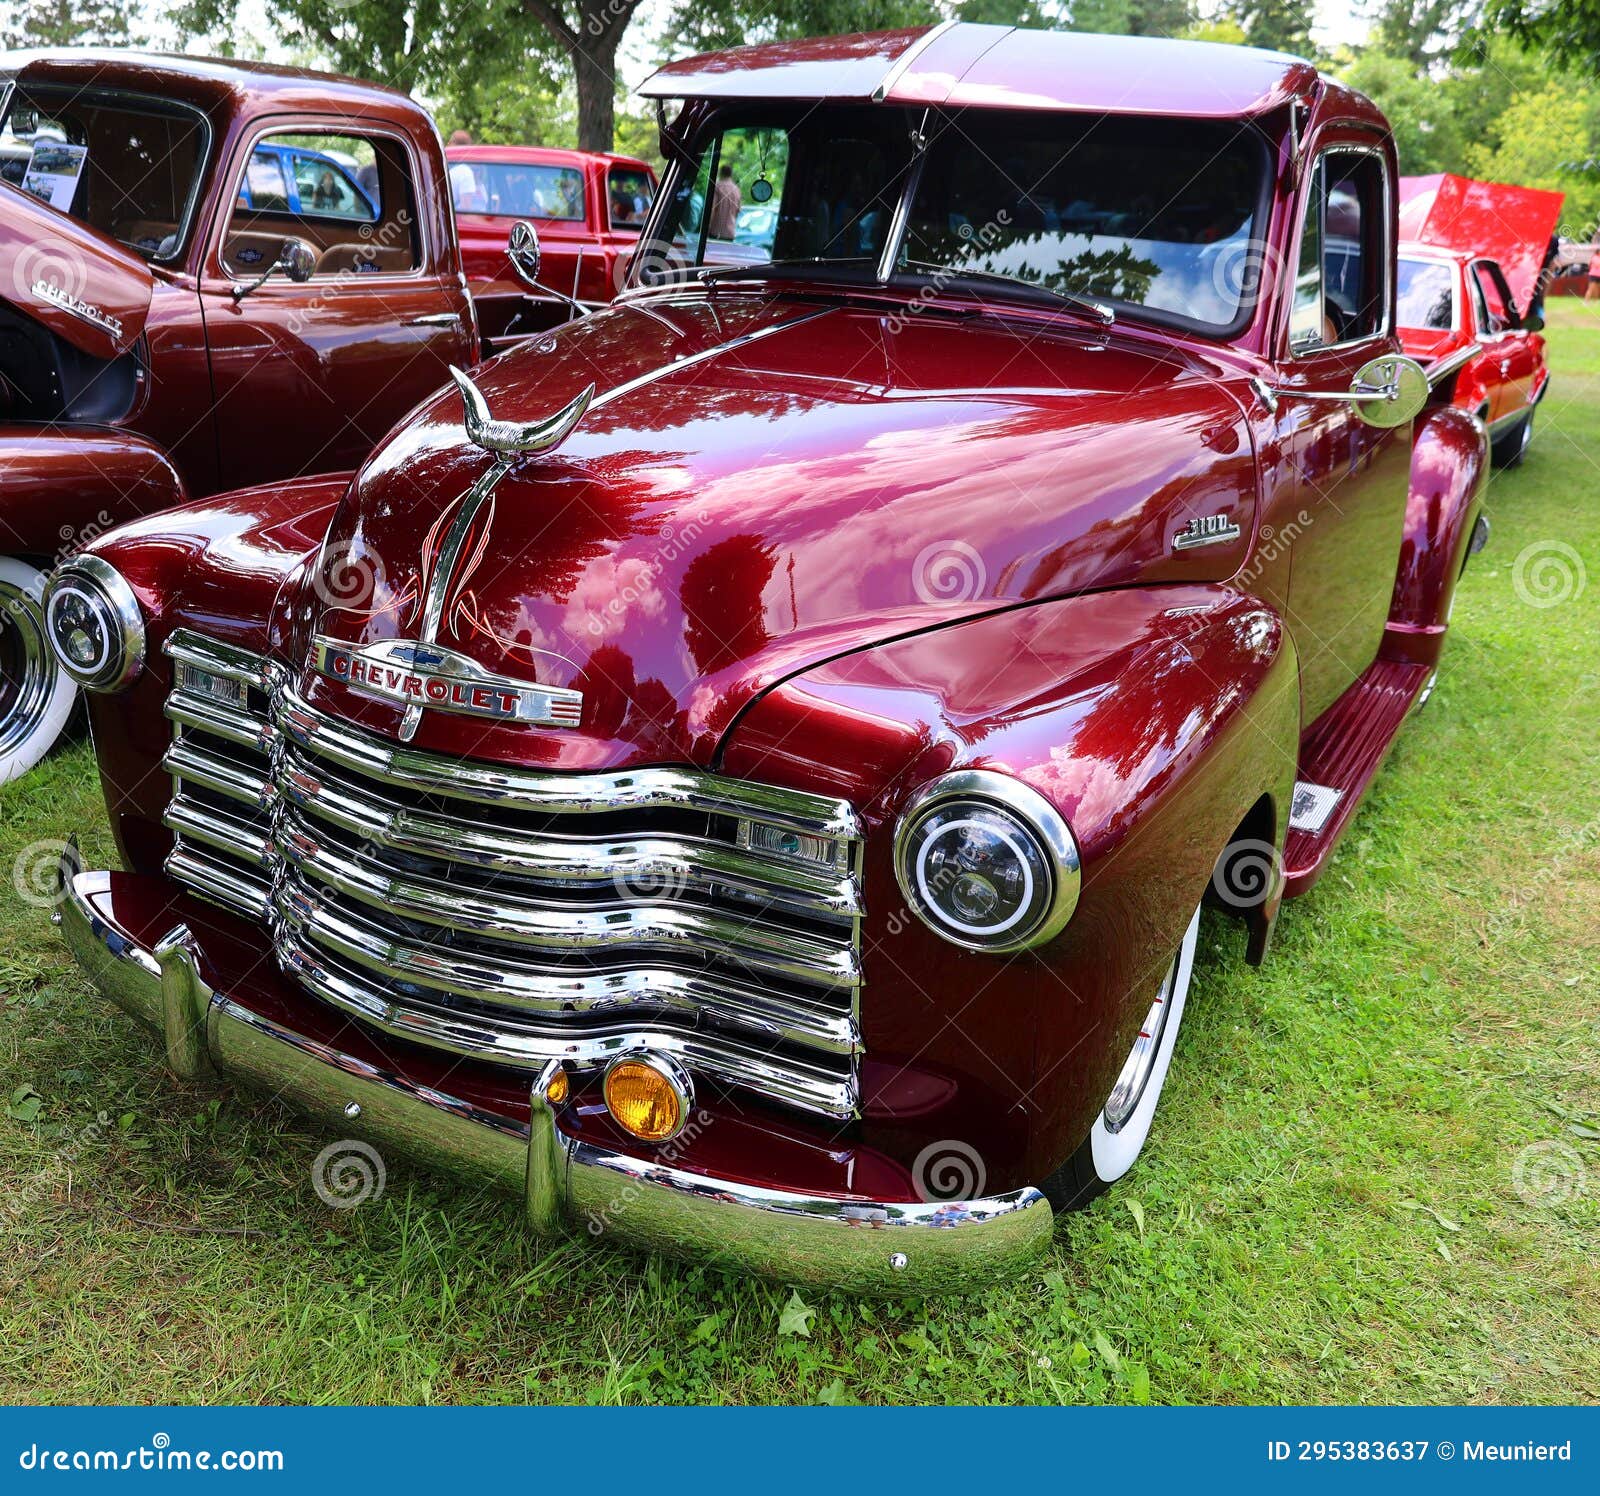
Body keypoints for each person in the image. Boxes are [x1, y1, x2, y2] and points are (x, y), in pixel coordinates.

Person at [447, 129, 484, 212]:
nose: (447, 145)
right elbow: (466, 211)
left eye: (449, 142)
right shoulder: (465, 172)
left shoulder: (453, 170)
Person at [708, 163, 741, 240]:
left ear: (721, 173)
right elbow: (738, 210)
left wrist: (707, 228)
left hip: (716, 233)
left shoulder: (717, 186)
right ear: (731, 174)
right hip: (730, 234)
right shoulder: (737, 190)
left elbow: (712, 209)